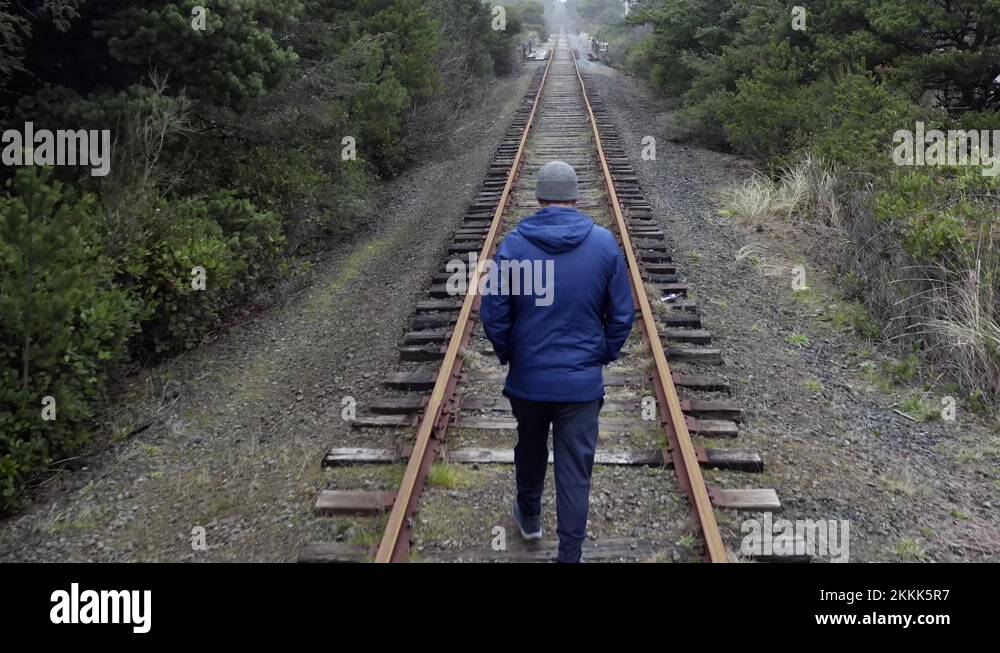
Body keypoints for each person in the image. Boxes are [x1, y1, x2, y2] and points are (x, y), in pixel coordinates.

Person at [480, 160, 635, 563]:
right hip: (581, 387)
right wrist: (602, 355)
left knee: (529, 447)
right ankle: (570, 554)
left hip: (529, 381)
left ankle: (529, 515)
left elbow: (493, 313)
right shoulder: (603, 244)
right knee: (575, 470)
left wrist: (510, 355)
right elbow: (622, 315)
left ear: (539, 199)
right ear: (576, 199)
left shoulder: (514, 245)